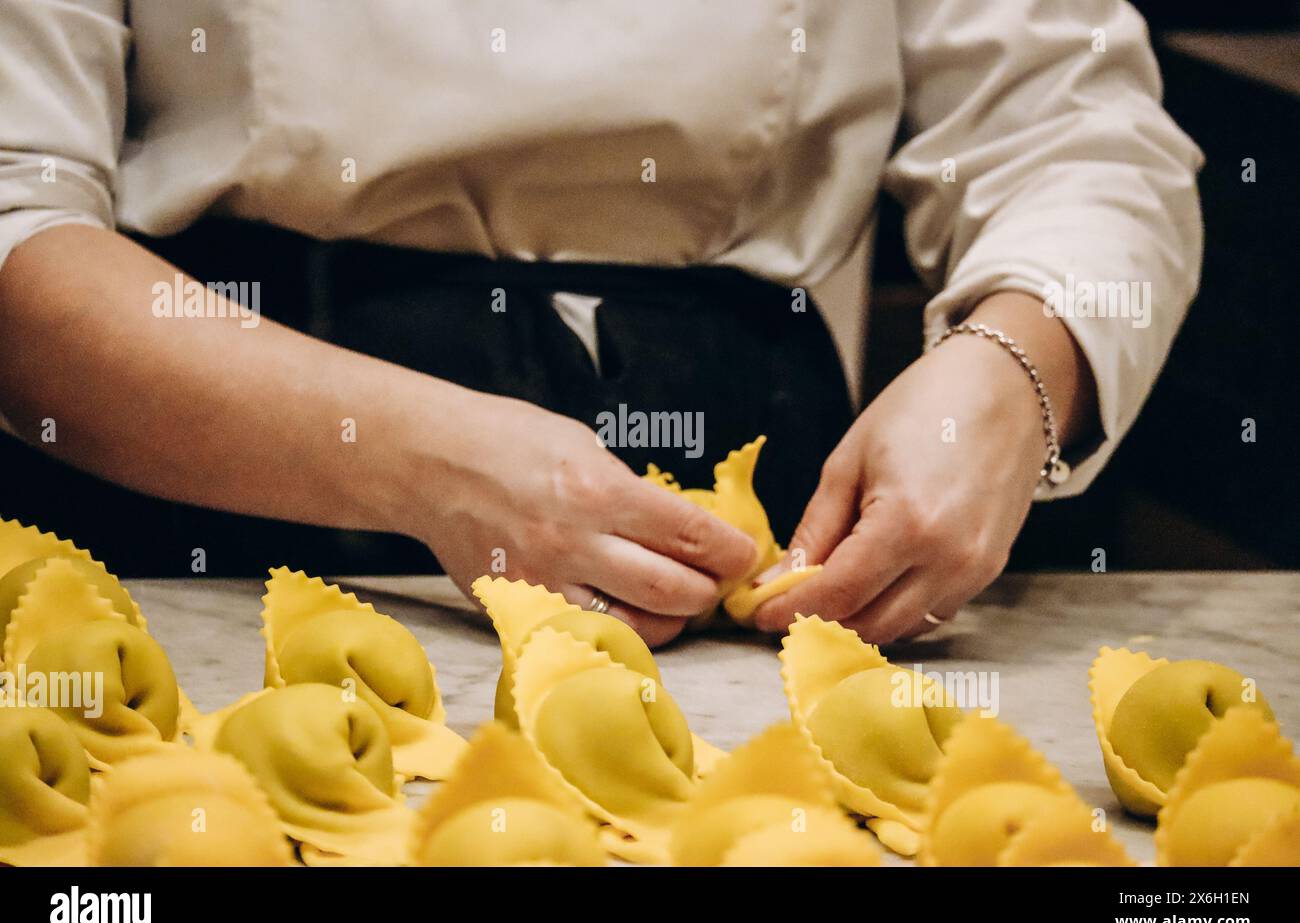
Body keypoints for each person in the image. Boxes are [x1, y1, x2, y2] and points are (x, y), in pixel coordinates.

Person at [0, 1, 1202, 646]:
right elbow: (16, 214)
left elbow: (1080, 135)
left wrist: (1008, 380)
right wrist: (423, 460)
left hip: (773, 576)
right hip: (216, 523)